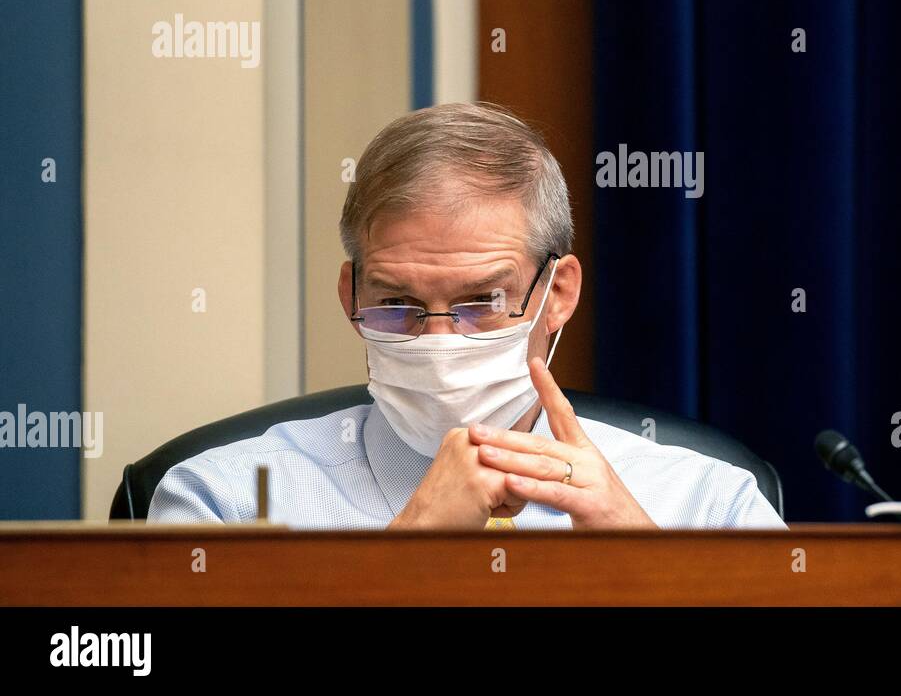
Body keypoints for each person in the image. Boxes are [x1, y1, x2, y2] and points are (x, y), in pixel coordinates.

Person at [148, 102, 785, 529]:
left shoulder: (706, 506)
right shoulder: (225, 501)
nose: (441, 342)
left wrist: (659, 579)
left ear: (557, 293)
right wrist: (399, 572)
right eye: (396, 305)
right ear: (350, 296)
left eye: (482, 302)